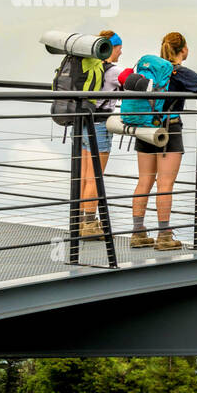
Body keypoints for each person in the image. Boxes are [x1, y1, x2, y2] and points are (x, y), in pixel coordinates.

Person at [129, 32, 197, 250]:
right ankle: (164, 235)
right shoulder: (180, 72)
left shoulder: (150, 71)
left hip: (144, 126)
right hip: (169, 129)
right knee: (165, 184)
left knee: (144, 181)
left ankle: (138, 232)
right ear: (183, 50)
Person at [78, 30, 127, 238]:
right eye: (119, 47)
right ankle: (89, 224)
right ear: (112, 47)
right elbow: (135, 82)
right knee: (95, 177)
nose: (121, 52)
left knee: (84, 175)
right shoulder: (114, 71)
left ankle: (80, 221)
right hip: (99, 125)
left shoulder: (89, 65)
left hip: (82, 121)